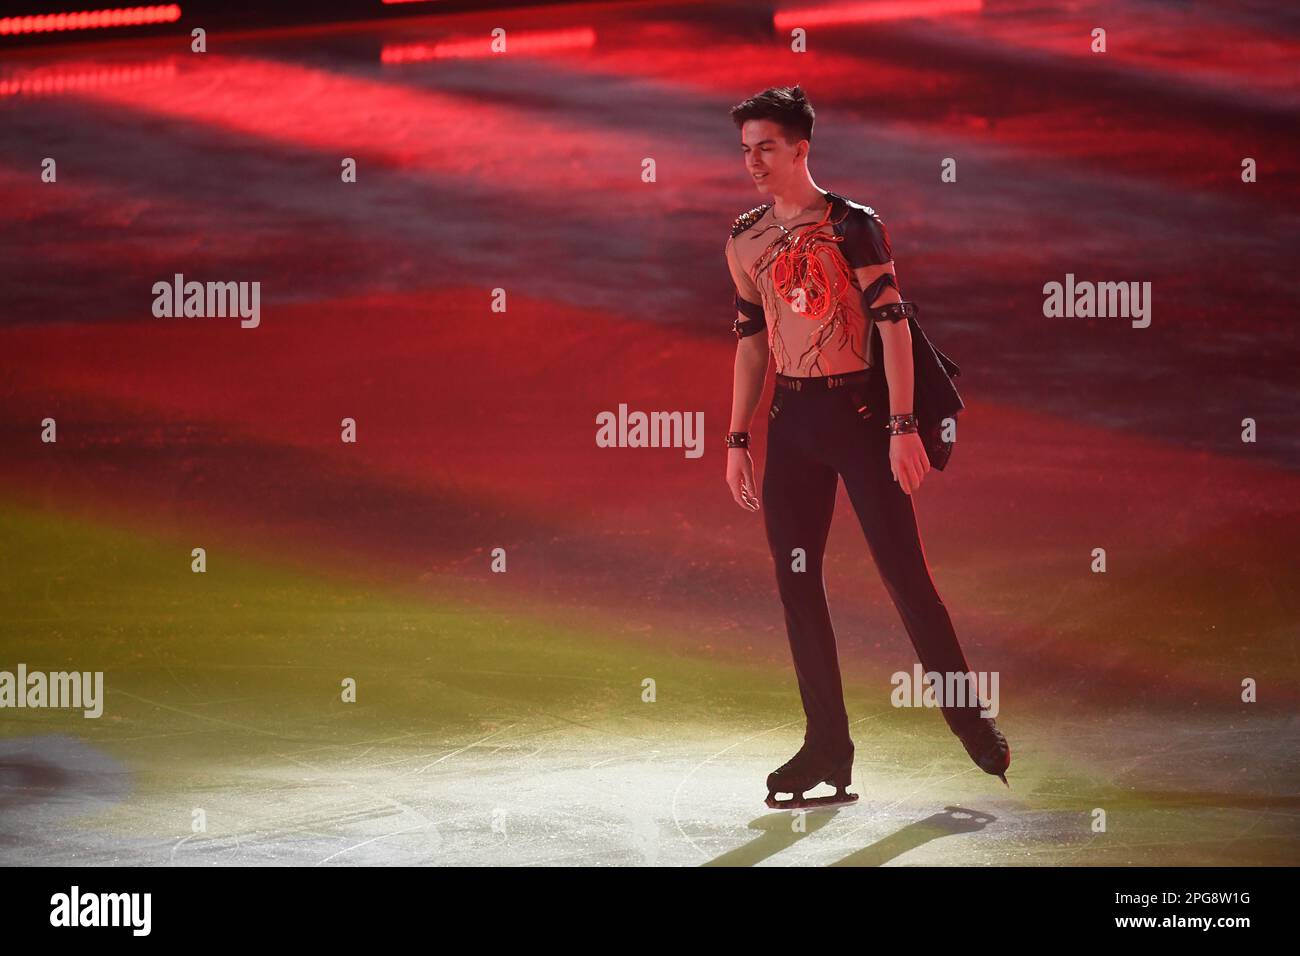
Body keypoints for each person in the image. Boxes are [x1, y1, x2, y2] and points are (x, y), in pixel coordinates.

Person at [721, 85, 1010, 810]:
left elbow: (893, 326)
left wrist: (903, 427)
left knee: (905, 578)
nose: (754, 161)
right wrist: (736, 437)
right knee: (797, 585)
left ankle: (970, 722)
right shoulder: (744, 240)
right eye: (746, 148)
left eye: (767, 147)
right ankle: (827, 749)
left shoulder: (854, 225)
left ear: (800, 148)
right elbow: (751, 343)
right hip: (791, 427)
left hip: (858, 416)